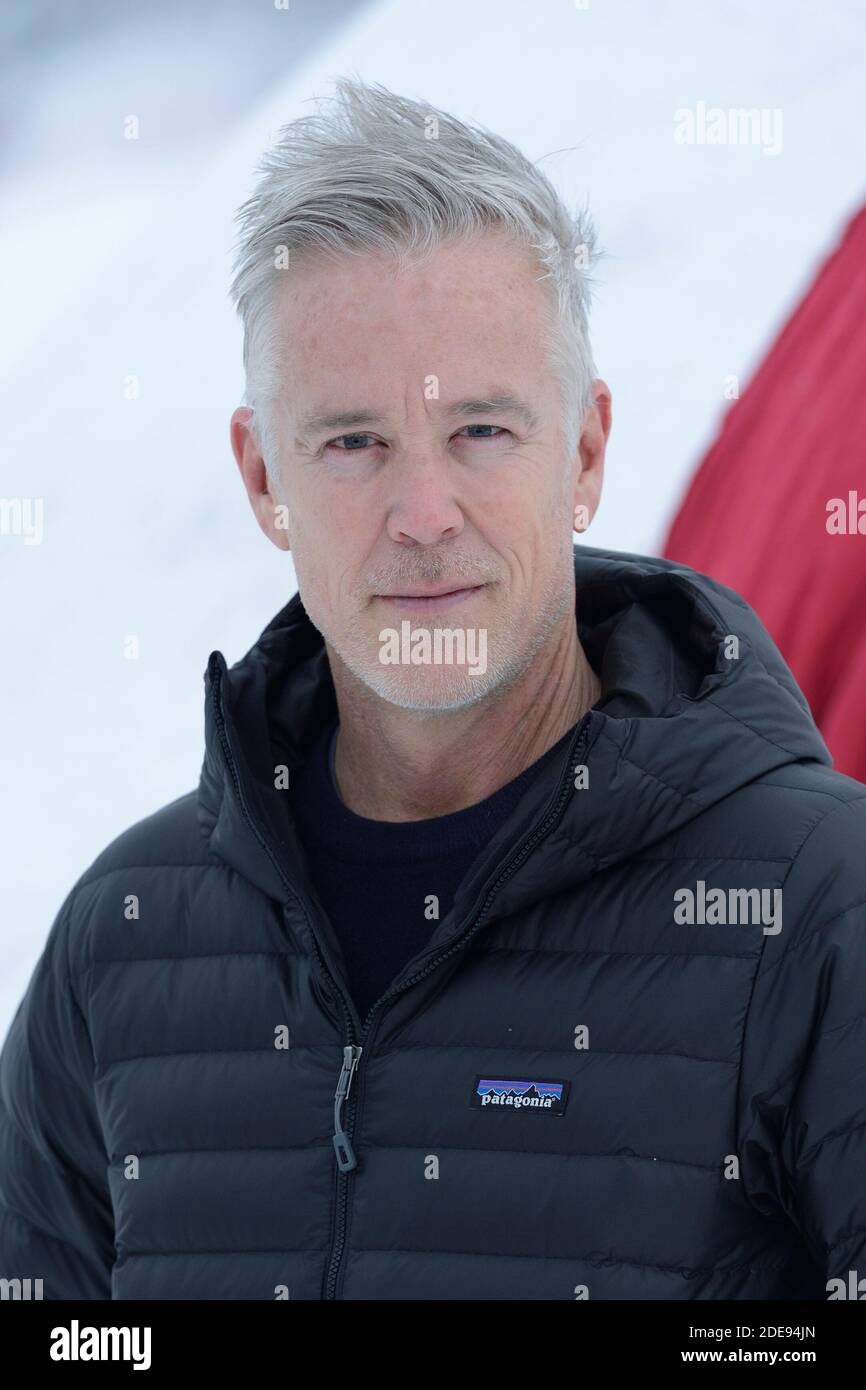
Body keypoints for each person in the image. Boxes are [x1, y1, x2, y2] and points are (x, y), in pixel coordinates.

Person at [2, 77, 864, 1302]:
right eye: (351, 442)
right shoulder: (122, 946)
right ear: (262, 476)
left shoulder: (817, 911)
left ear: (584, 452)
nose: (421, 517)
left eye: (479, 432)